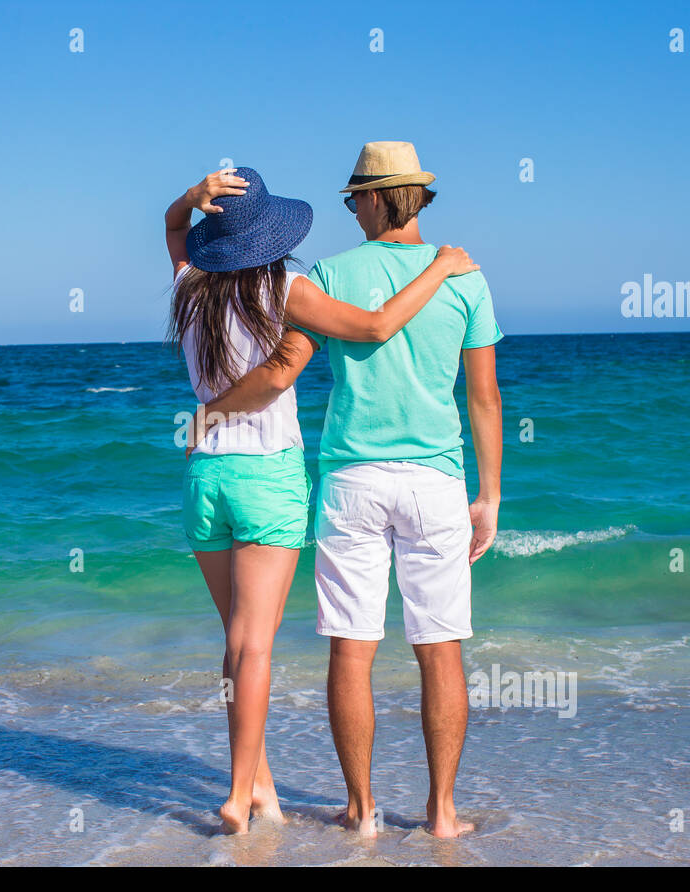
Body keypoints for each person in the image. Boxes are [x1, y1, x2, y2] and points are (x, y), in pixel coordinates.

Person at [195, 142, 503, 839]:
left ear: (373, 199)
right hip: (437, 480)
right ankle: (443, 815)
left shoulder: (330, 273)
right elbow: (484, 397)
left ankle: (362, 810)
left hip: (350, 480)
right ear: (415, 197)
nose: (350, 209)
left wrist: (211, 413)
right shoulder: (465, 279)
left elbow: (282, 368)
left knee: (351, 650)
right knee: (441, 648)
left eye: (352, 198)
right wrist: (489, 496)